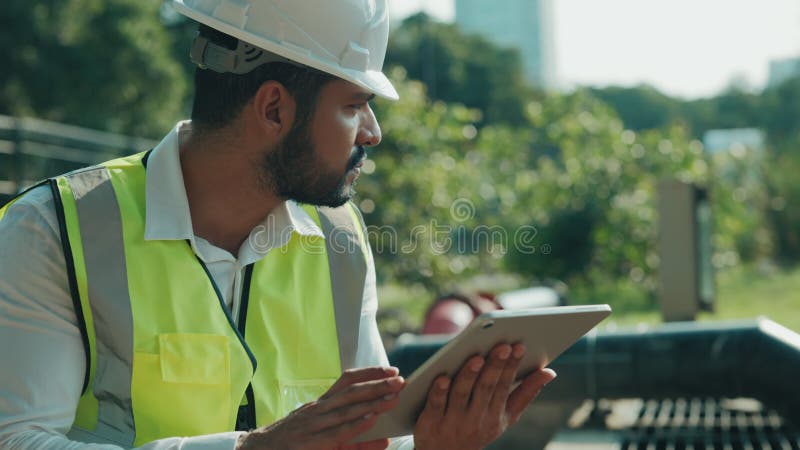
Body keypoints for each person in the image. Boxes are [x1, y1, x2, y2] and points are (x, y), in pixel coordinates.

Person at [0, 0, 556, 449]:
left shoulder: (339, 239)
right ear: (273, 109)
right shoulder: (51, 230)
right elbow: (18, 440)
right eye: (355, 104)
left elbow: (363, 437)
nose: (372, 132)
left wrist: (435, 447)